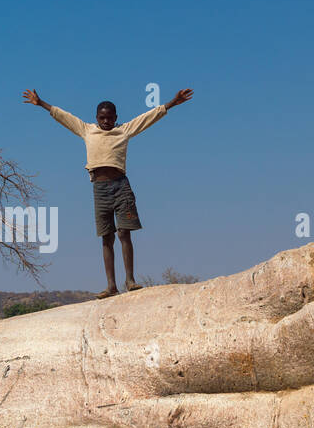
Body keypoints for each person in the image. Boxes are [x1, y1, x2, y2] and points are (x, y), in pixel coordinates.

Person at [24, 87, 192, 297]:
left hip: (121, 186)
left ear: (116, 118)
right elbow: (63, 116)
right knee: (106, 237)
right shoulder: (86, 130)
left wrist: (172, 102)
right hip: (99, 189)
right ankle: (111, 285)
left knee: (124, 232)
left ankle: (130, 280)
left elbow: (148, 117)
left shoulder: (124, 130)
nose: (106, 121)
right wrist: (40, 103)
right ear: (96, 118)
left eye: (110, 118)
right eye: (102, 118)